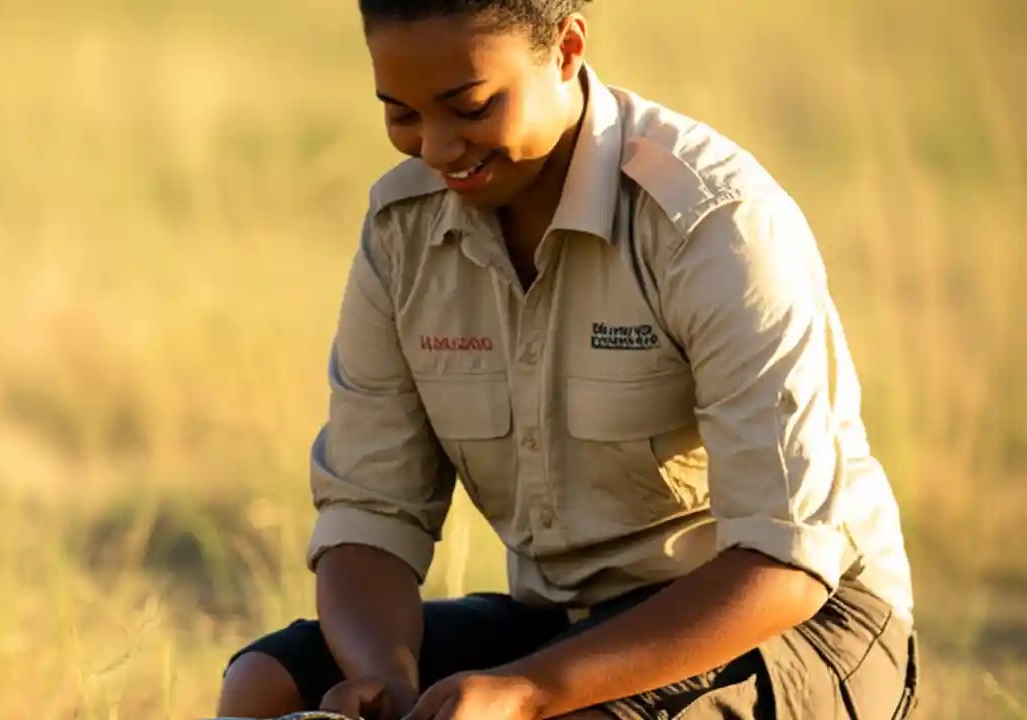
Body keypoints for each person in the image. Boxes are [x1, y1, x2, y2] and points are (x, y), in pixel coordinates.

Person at [217, 0, 919, 717]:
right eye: (401, 114)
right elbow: (368, 514)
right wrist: (385, 675)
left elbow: (786, 563)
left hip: (802, 624)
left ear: (566, 49)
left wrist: (529, 692)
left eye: (470, 107)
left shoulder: (714, 223)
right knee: (266, 686)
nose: (435, 148)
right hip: (566, 621)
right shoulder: (403, 233)